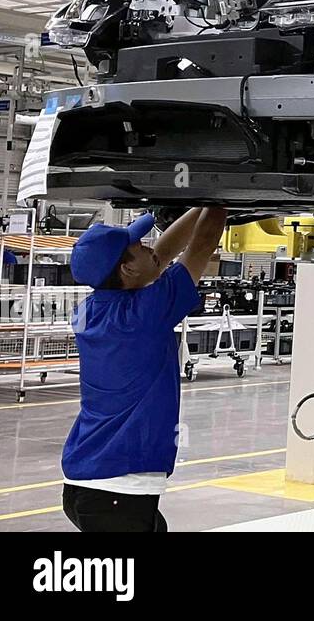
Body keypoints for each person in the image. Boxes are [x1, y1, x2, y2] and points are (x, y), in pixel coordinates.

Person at [62, 207, 228, 532]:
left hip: (92, 482)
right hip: (118, 489)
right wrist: (223, 196)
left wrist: (200, 203)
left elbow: (160, 257)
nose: (150, 246)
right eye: (138, 245)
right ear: (126, 268)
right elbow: (204, 243)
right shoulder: (144, 316)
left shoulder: (92, 310)